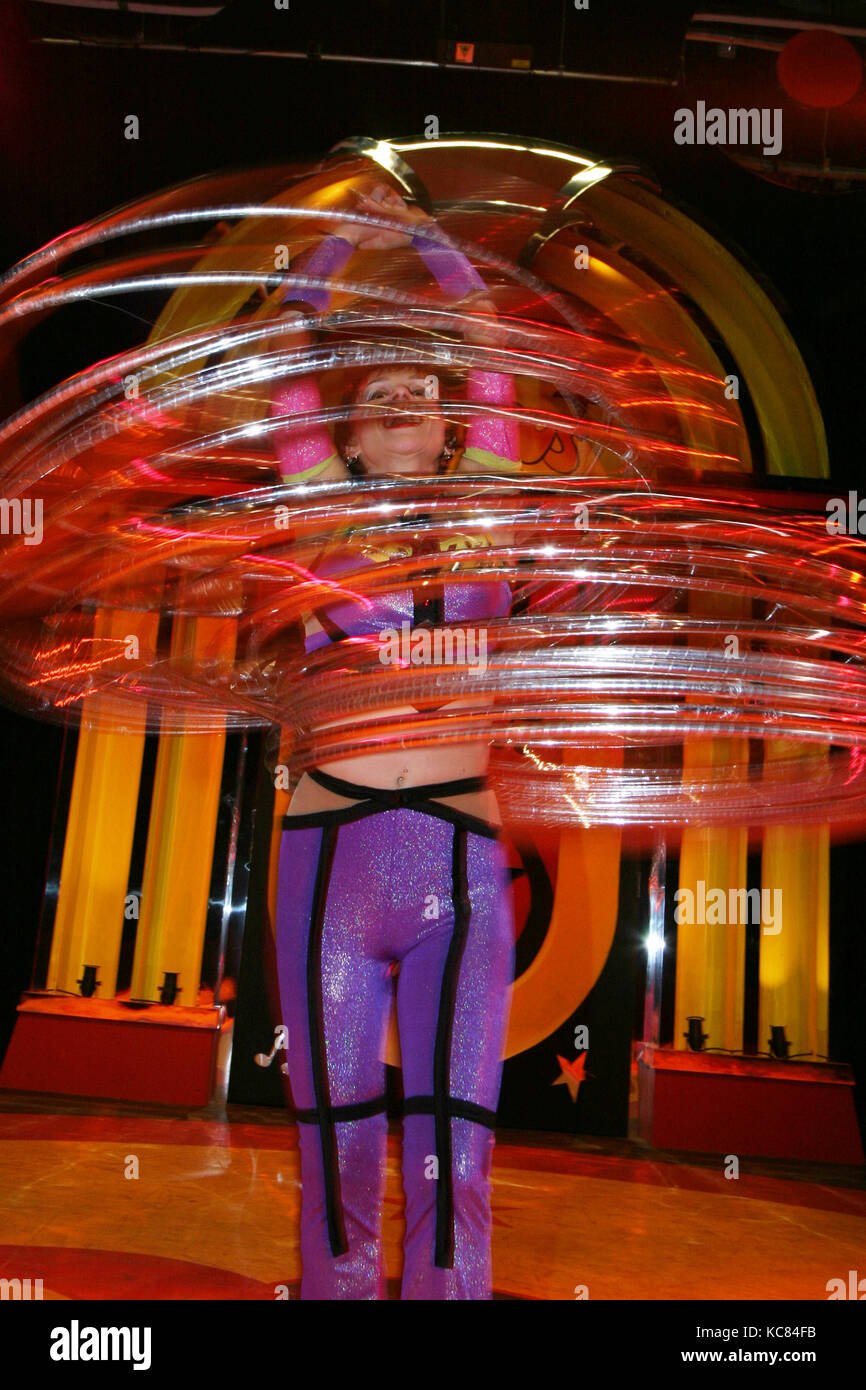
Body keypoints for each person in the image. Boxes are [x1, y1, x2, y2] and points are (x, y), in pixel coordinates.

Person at [269, 183, 519, 1299]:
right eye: (383, 392)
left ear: (452, 418)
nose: (410, 398)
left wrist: (430, 242)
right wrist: (339, 243)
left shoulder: (488, 508)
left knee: (453, 1148)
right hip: (328, 861)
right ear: (354, 432)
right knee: (334, 1149)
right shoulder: (321, 514)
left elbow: (495, 351)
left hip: (461, 865)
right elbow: (280, 363)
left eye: (426, 390)